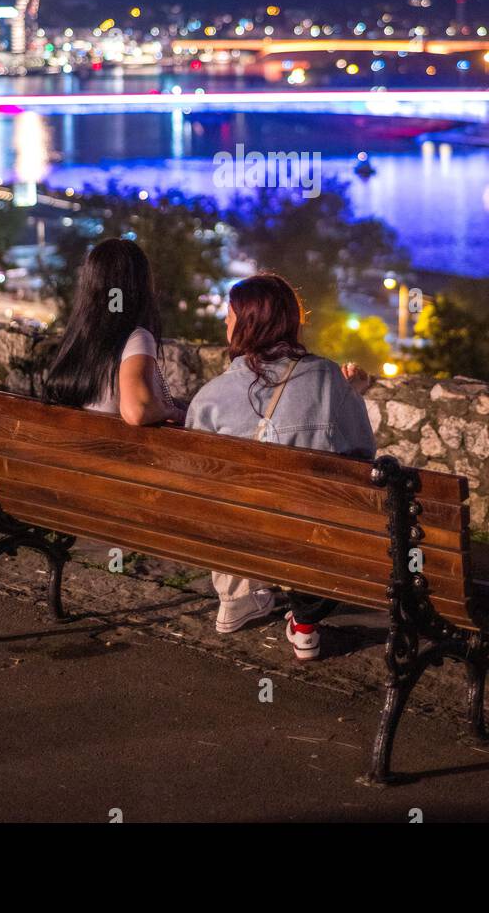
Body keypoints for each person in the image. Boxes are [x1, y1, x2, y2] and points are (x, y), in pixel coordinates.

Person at [185, 272, 376, 661]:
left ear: (248, 323)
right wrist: (345, 395)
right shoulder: (327, 377)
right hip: (309, 540)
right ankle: (305, 622)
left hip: (238, 536)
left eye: (230, 315)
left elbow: (194, 475)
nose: (225, 322)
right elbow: (363, 454)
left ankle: (236, 595)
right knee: (328, 510)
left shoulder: (212, 396)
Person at [44, 237, 184, 425]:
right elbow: (137, 412)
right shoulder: (136, 338)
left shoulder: (78, 338)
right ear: (139, 286)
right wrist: (172, 412)